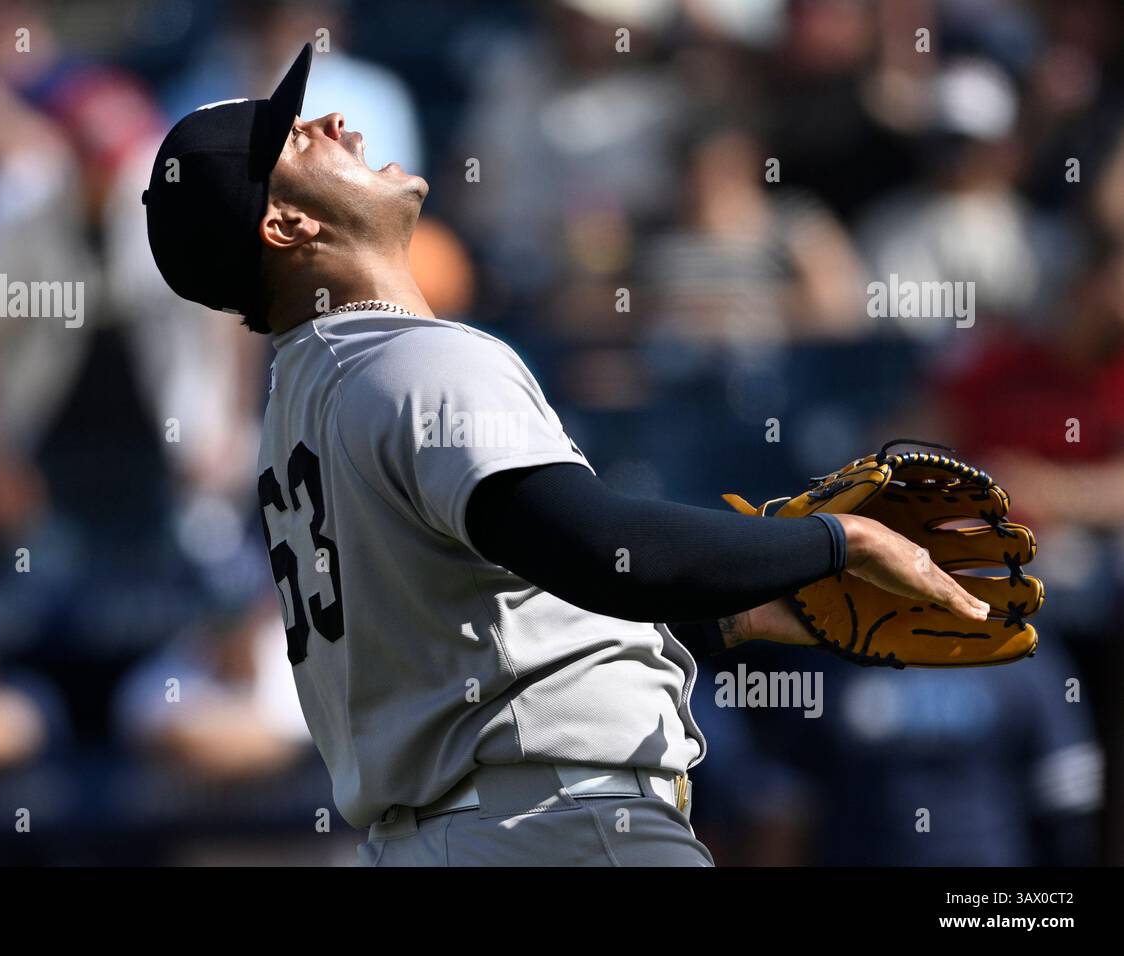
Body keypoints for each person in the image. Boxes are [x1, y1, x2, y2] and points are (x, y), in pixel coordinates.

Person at [142, 44, 990, 867]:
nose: (331, 120)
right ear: (285, 222)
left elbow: (503, 586)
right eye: (296, 137)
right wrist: (840, 542)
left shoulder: (302, 400)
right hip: (558, 827)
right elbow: (597, 548)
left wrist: (736, 602)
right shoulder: (414, 362)